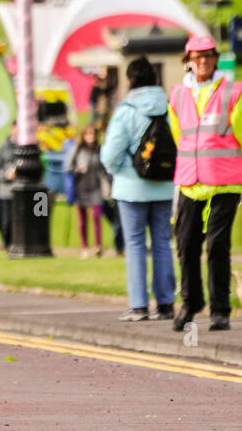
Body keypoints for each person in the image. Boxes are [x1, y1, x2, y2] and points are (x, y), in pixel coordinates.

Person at [168, 35, 242, 331]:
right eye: (197, 57)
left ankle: (220, 310)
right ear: (187, 60)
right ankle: (192, 300)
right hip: (190, 181)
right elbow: (179, 135)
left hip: (225, 181)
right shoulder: (176, 95)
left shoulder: (233, 92)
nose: (203, 61)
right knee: (186, 244)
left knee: (217, 245)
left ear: (215, 58)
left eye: (208, 56)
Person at [100, 57, 177, 321]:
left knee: (134, 244)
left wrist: (125, 171)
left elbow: (110, 155)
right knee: (162, 243)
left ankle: (139, 306)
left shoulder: (126, 110)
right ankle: (166, 304)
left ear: (131, 79)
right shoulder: (169, 106)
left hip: (131, 189)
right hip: (164, 185)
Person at [66, 125, 107, 257]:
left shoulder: (99, 150)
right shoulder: (78, 150)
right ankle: (84, 247)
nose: (90, 137)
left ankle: (98, 246)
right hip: (81, 187)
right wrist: (77, 170)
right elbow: (68, 167)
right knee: (82, 220)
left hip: (96, 187)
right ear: (83, 136)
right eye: (87, 134)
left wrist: (108, 185)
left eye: (92, 134)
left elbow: (105, 169)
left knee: (96, 216)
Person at [0, 134, 18, 250]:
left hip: (21, 193)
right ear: (13, 129)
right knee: (4, 221)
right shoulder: (2, 148)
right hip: (4, 192)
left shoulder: (27, 147)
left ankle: (14, 243)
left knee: (18, 221)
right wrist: (4, 175)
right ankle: (6, 243)